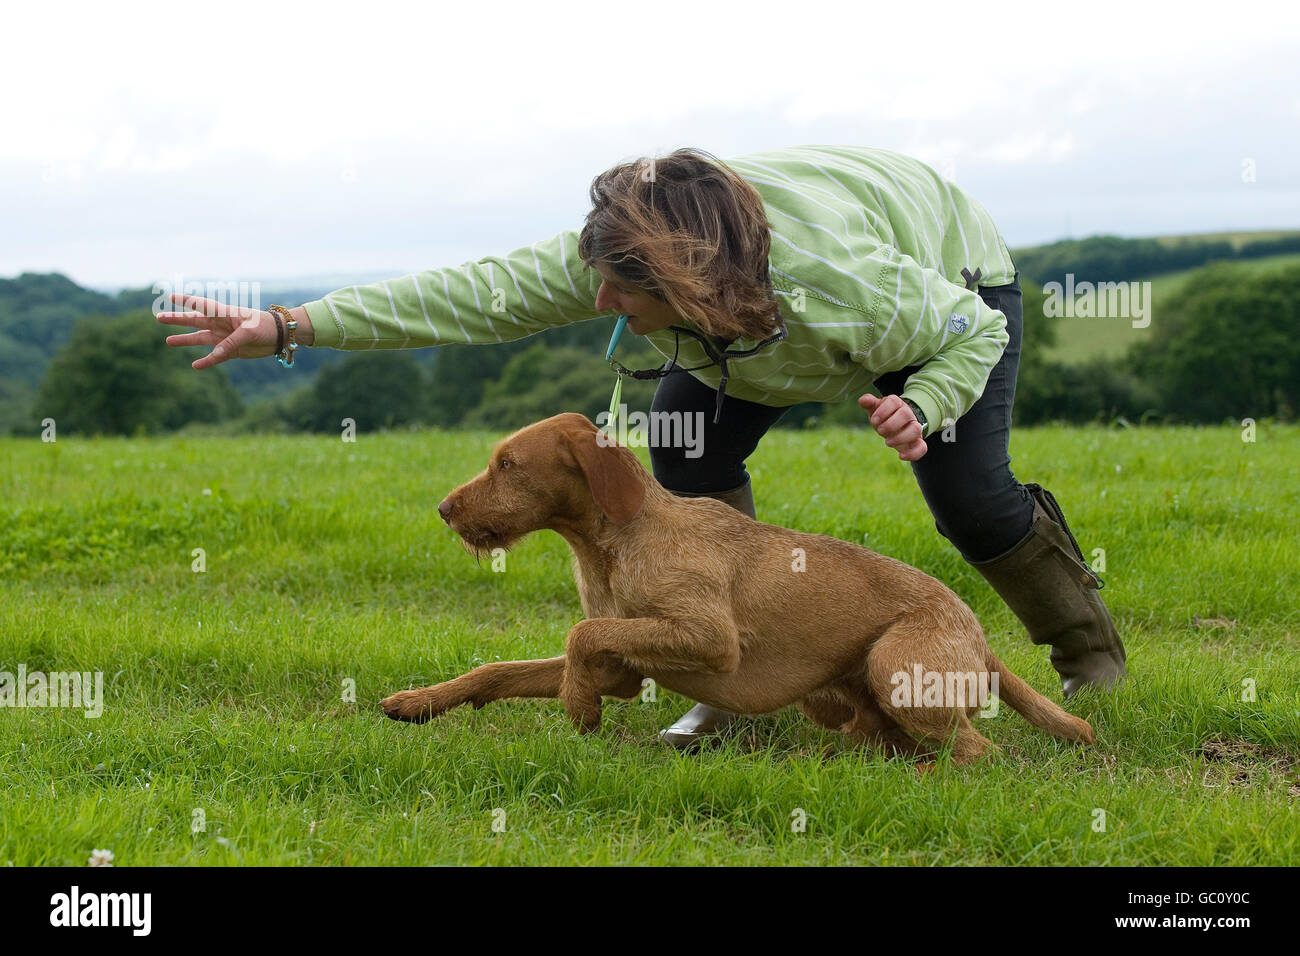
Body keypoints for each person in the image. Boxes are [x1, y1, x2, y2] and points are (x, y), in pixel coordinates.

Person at [159, 144, 1126, 749]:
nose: (598, 306)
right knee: (686, 454)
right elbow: (460, 298)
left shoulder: (848, 283)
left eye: (622, 294)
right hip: (738, 331)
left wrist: (927, 403)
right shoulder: (618, 253)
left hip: (946, 302)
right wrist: (289, 326)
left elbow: (973, 331)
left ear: (686, 282)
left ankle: (1088, 657)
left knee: (972, 499)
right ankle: (723, 668)